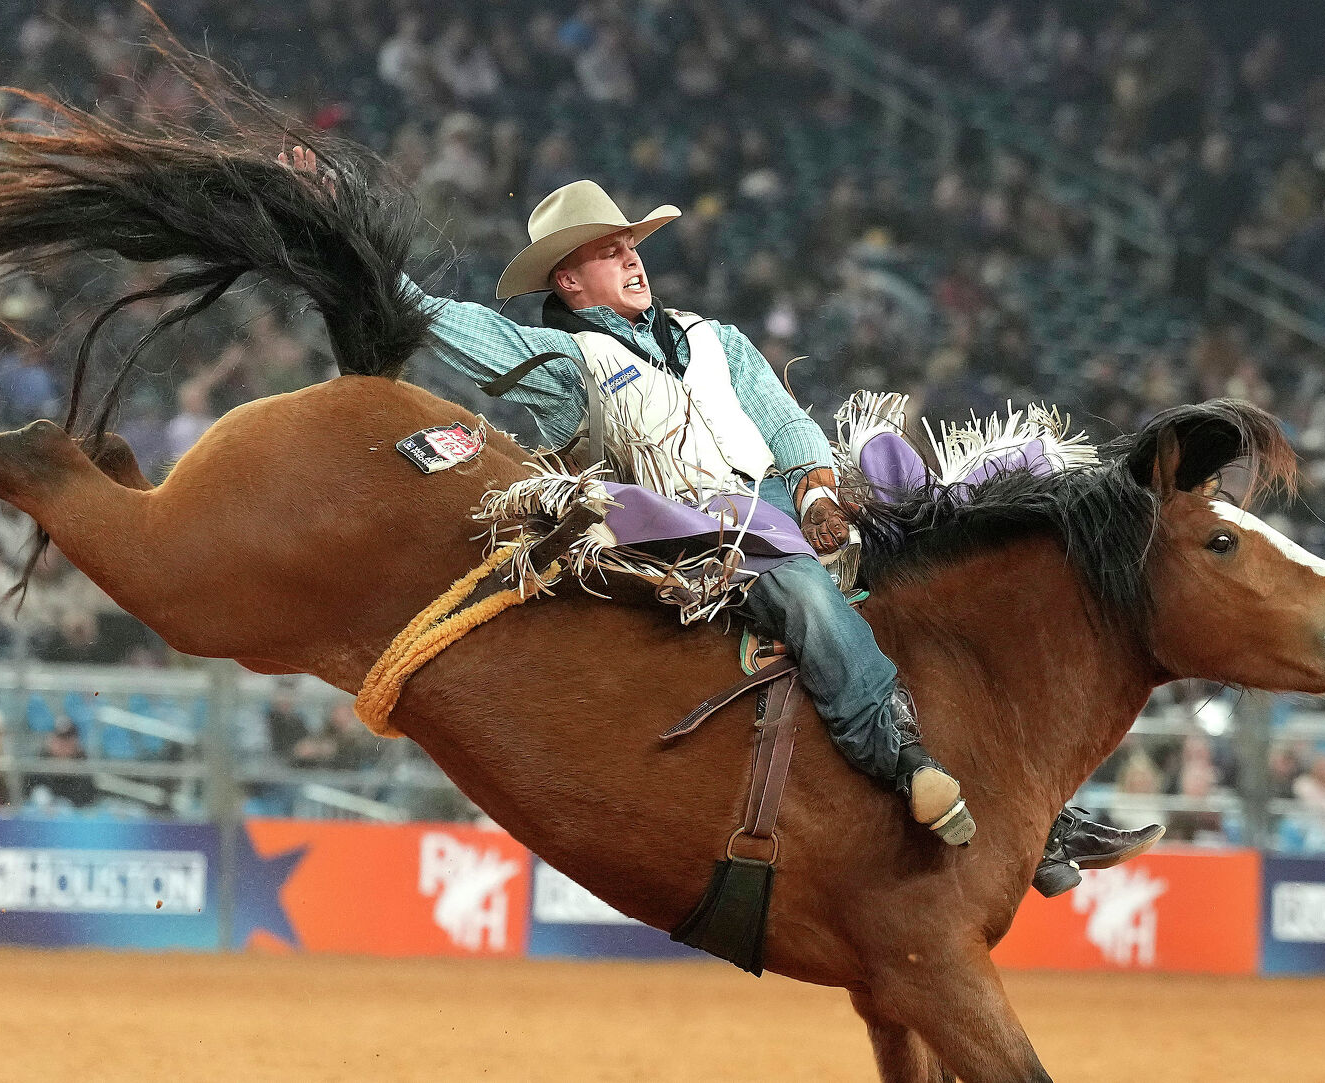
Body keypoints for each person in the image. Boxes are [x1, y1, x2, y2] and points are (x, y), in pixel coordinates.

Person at [285, 152, 1159, 893]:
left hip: (774, 506)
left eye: (632, 245)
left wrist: (817, 487)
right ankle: (902, 759)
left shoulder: (716, 336)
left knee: (947, 579)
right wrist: (334, 227)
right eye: (609, 251)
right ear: (568, 280)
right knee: (803, 595)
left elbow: (781, 421)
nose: (633, 259)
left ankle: (1037, 812)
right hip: (676, 530)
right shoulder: (560, 359)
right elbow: (437, 317)